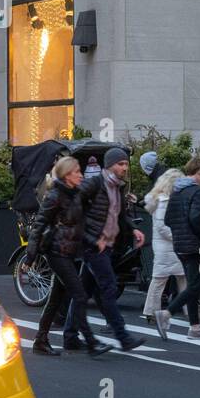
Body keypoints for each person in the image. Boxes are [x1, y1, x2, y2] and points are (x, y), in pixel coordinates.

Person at [62, 147, 145, 352]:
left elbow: (121, 214)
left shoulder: (117, 187)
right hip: (93, 247)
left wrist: (134, 229)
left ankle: (70, 336)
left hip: (107, 245)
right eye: (120, 164)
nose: (124, 168)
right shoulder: (95, 184)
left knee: (85, 290)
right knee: (108, 288)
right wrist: (91, 238)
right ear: (109, 166)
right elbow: (74, 213)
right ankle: (123, 336)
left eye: (126, 164)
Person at [27, 157, 106, 357]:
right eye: (77, 171)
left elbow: (78, 226)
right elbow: (39, 225)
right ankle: (90, 341)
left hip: (70, 252)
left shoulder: (75, 195)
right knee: (79, 295)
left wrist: (94, 241)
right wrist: (30, 257)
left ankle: (41, 340)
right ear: (66, 175)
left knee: (56, 298)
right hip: (56, 252)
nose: (81, 174)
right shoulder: (55, 196)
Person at [157, 157, 200, 340]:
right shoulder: (197, 192)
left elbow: (166, 220)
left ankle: (195, 327)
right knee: (195, 285)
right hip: (194, 244)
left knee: (192, 285)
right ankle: (167, 313)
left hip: (179, 243)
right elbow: (196, 218)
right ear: (199, 172)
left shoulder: (176, 191)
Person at [141, 168, 185, 325]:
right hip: (168, 246)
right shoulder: (164, 200)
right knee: (171, 279)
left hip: (164, 246)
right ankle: (189, 310)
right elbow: (162, 226)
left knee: (163, 280)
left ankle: (151, 310)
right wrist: (178, 236)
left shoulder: (159, 199)